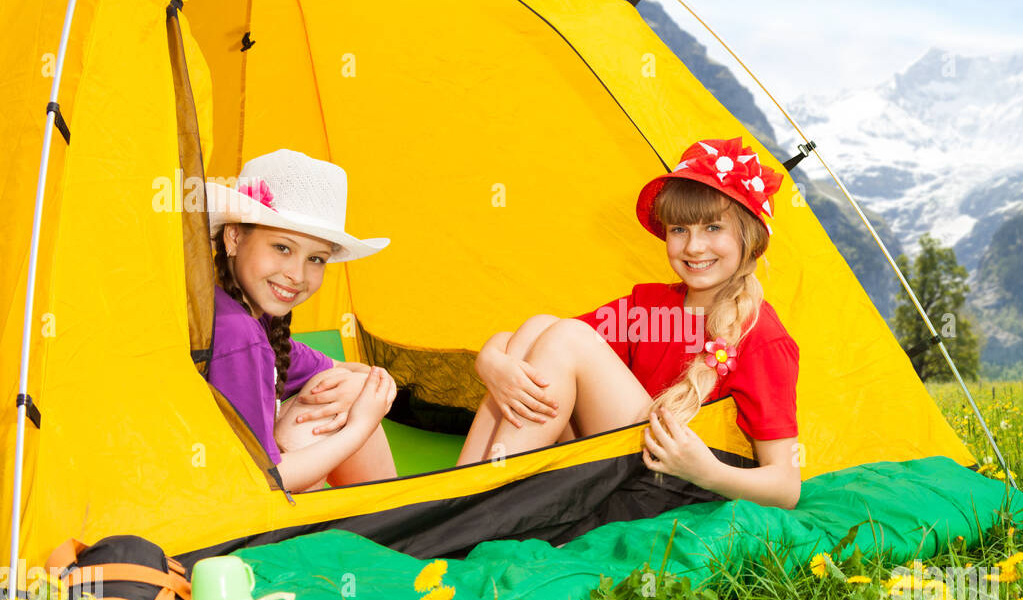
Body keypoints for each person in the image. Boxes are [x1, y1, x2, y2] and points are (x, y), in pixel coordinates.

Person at [456, 137, 801, 509]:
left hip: (672, 483)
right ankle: (459, 490)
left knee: (568, 337)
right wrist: (490, 362)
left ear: (748, 238)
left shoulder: (761, 336)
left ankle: (482, 505)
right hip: (621, 462)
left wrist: (706, 471)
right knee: (537, 328)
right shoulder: (650, 305)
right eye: (679, 230)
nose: (694, 247)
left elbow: (786, 487)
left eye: (713, 228)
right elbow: (543, 347)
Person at [206, 148, 399, 494]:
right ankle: (390, 520)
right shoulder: (237, 333)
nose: (296, 274)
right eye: (282, 247)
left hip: (227, 495)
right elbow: (264, 484)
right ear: (234, 237)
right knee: (329, 413)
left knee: (341, 387)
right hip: (228, 514)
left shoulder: (245, 314)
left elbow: (342, 368)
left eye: (315, 258)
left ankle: (388, 515)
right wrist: (359, 426)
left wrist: (373, 384)